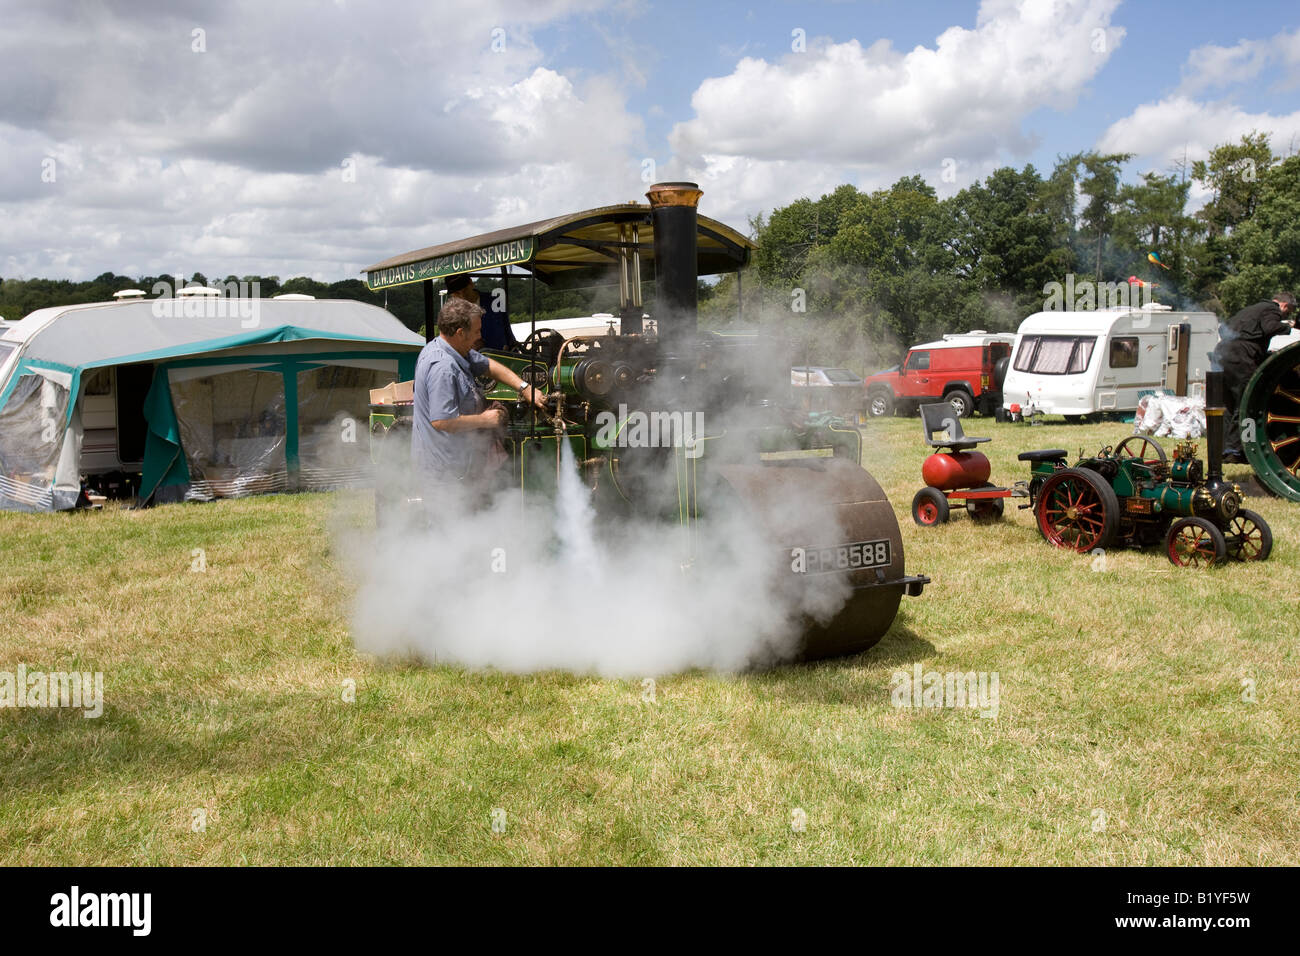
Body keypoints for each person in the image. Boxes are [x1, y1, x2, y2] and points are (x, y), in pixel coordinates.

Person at [411, 297, 546, 490]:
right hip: (446, 475)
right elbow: (442, 421)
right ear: (459, 333)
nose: (479, 336)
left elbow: (487, 364)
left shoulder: (452, 349)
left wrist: (524, 387)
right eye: (476, 331)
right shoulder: (442, 367)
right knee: (452, 520)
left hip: (458, 467)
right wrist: (486, 420)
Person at [1216, 291, 1296, 462]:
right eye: (1287, 312)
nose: (1285, 315)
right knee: (1248, 403)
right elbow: (1270, 327)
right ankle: (1239, 449)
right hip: (1241, 358)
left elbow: (1223, 329)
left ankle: (1226, 451)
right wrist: (1289, 326)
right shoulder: (1272, 309)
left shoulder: (1250, 309)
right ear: (1284, 305)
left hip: (1222, 354)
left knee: (1229, 406)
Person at [444, 274, 519, 352]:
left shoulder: (494, 302)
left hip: (499, 356)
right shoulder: (451, 313)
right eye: (457, 293)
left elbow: (507, 330)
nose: (463, 295)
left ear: (471, 284)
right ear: (452, 295)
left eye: (465, 290)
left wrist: (514, 354)